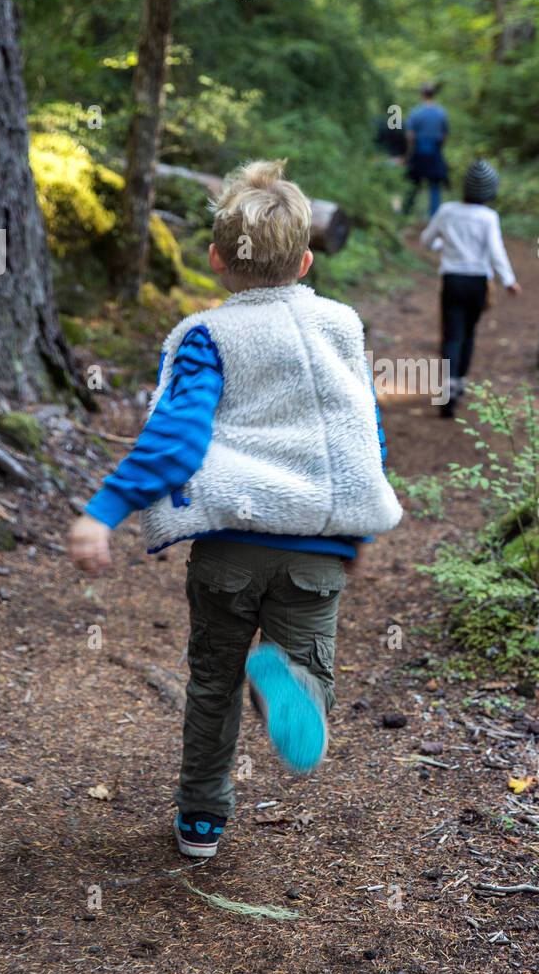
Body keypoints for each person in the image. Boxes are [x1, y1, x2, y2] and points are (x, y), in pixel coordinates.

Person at [68, 160, 402, 858]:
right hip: (317, 542)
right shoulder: (341, 326)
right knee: (310, 663)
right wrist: (358, 520)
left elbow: (177, 438)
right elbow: (358, 430)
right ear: (308, 259)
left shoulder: (207, 336)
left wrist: (105, 508)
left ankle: (201, 820)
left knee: (212, 681)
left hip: (230, 543)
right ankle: (291, 687)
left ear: (216, 260)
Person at [420, 158, 522, 417]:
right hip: (478, 282)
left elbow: (426, 239)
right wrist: (508, 280)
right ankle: (459, 383)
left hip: (452, 280)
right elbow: (496, 251)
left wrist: (441, 246)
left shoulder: (446, 211)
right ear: (490, 191)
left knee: (451, 335)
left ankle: (447, 390)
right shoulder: (489, 217)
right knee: (468, 333)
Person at [403, 80, 449, 218]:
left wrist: (409, 152)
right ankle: (434, 217)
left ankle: (405, 214)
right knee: (434, 187)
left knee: (413, 185)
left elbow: (410, 135)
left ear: (422, 93)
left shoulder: (416, 112)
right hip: (435, 153)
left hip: (418, 152)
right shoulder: (441, 113)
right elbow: (445, 135)